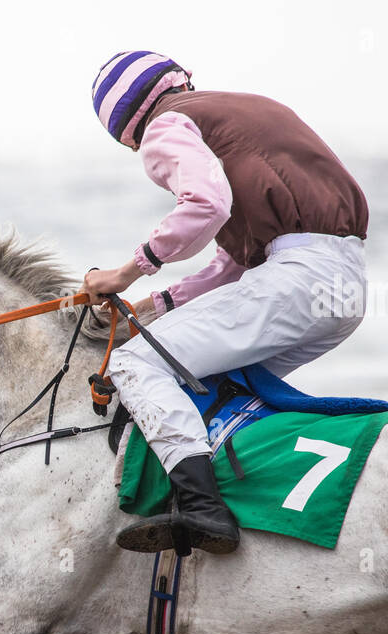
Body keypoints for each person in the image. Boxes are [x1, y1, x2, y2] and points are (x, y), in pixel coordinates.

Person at [81, 51, 369, 555]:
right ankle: (253, 494)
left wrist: (126, 272)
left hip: (297, 279)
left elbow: (206, 204)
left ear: (130, 131)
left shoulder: (164, 127)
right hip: (344, 286)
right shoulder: (249, 110)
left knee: (136, 364)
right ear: (181, 81)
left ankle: (201, 508)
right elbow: (232, 268)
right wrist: (153, 305)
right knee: (217, 381)